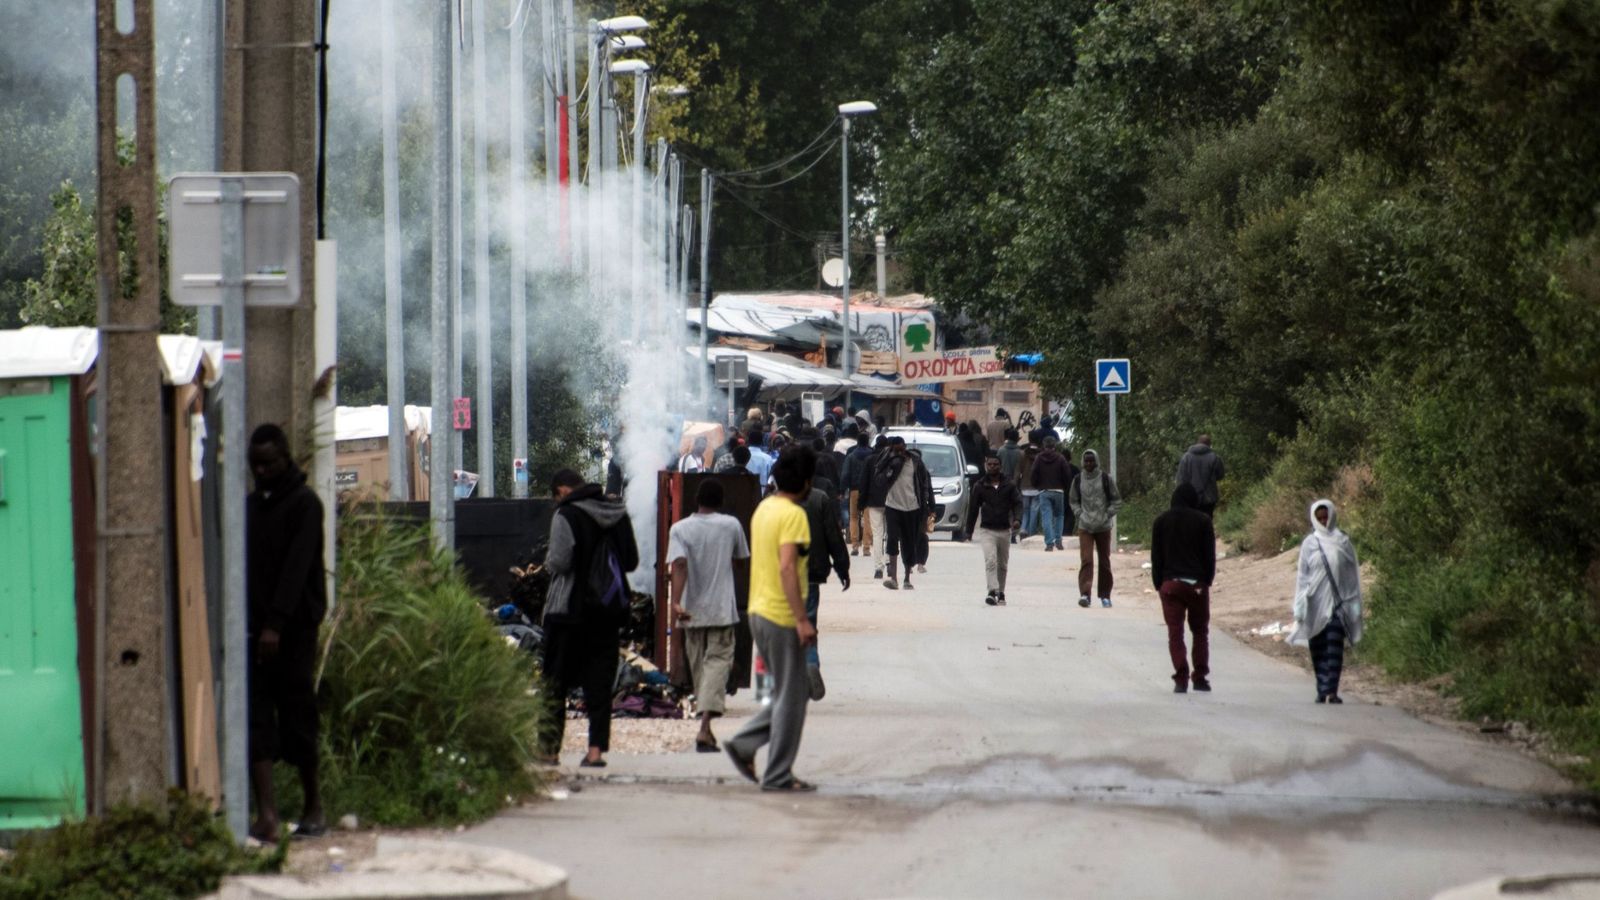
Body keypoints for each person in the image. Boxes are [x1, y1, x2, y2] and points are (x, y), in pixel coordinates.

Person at [245, 424, 328, 842]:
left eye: (270, 463)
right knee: (256, 720)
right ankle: (268, 815)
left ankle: (313, 807)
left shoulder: (304, 505)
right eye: (256, 464)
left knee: (298, 716)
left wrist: (276, 623)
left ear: (286, 458)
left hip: (293, 633)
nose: (262, 471)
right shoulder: (249, 508)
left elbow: (297, 569)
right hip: (253, 631)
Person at [725, 447, 819, 792]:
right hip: (781, 616)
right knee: (792, 698)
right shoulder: (794, 515)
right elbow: (786, 567)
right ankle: (778, 774)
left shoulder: (763, 509)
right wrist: (802, 620)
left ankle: (745, 744)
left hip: (758, 613)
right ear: (806, 482)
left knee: (787, 694)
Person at [539, 468, 640, 768]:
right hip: (607, 612)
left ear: (561, 491)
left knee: (554, 682)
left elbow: (559, 561)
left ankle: (548, 750)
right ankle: (595, 751)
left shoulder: (566, 515)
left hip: (568, 610)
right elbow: (631, 561)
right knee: (599, 683)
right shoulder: (616, 513)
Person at [668, 480, 751, 751]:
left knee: (700, 667)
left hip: (691, 612)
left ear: (697, 501)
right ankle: (705, 726)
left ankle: (705, 723)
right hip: (721, 610)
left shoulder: (679, 529)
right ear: (721, 501)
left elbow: (679, 565)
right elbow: (741, 561)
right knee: (717, 664)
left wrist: (676, 603)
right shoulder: (731, 526)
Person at [1289, 499, 1363, 704]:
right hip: (1315, 604)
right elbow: (1302, 577)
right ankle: (1322, 688)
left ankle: (1332, 690)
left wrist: (1354, 606)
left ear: (1332, 516)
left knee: (1334, 647)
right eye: (1319, 518)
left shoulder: (1343, 542)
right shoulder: (1309, 544)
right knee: (1319, 647)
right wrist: (1300, 606)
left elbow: (1352, 578)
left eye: (1326, 517)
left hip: (1339, 605)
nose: (1323, 521)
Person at [1151, 484, 1217, 693]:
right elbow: (1210, 556)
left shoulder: (1161, 521)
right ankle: (1200, 678)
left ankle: (1181, 678)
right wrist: (1207, 581)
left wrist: (1158, 583)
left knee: (1175, 633)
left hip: (1171, 585)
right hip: (1197, 584)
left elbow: (1156, 556)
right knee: (1200, 632)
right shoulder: (1203, 521)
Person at [798, 450, 851, 700]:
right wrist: (843, 568)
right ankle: (810, 663)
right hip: (811, 573)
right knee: (808, 622)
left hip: (777, 579)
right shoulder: (820, 499)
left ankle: (785, 678)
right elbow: (833, 536)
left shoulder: (773, 502)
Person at [875, 437, 932, 590]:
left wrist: (926, 506)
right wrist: (890, 467)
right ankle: (893, 578)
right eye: (895, 450)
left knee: (909, 542)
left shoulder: (915, 461)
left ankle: (907, 577)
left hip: (912, 507)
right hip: (892, 506)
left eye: (901, 449)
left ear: (905, 447)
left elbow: (924, 483)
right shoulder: (888, 459)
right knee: (892, 539)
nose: (899, 453)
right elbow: (879, 479)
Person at [965, 454, 1022, 606]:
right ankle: (991, 591)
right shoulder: (980, 486)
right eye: (990, 464)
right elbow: (973, 509)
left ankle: (1001, 592)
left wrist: (1017, 520)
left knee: (1002, 565)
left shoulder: (1009, 485)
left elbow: (1017, 503)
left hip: (1004, 530)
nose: (992, 467)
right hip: (987, 530)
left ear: (1000, 466)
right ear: (986, 466)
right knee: (990, 560)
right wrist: (968, 531)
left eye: (995, 464)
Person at [1069, 449, 1121, 608]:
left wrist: (1108, 514)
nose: (1089, 464)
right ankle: (1085, 594)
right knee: (1086, 560)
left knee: (1104, 562)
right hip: (1085, 526)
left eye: (1092, 461)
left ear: (1096, 461)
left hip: (1103, 526)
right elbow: (1073, 500)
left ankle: (1105, 595)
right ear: (1083, 463)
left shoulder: (1106, 479)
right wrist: (1079, 514)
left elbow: (1116, 500)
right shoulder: (1078, 480)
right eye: (1086, 461)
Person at [1030, 436, 1074, 552]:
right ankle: (1058, 541)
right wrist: (1065, 487)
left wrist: (1037, 485)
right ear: (1054, 446)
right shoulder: (1060, 458)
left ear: (1044, 446)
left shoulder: (1039, 458)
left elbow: (1034, 473)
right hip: (1059, 491)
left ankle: (1049, 543)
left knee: (1046, 516)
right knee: (1059, 516)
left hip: (1044, 491)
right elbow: (1067, 473)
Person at [840, 431, 876, 557]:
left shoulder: (851, 456)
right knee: (868, 519)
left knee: (854, 517)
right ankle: (866, 547)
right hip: (869, 491)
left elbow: (845, 475)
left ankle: (855, 545)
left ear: (858, 442)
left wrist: (842, 490)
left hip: (854, 489)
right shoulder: (873, 455)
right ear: (868, 442)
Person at [1175, 434, 1226, 517]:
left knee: (1192, 523)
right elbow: (1220, 475)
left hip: (1190, 498)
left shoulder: (1186, 458)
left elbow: (1181, 479)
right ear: (1209, 445)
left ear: (1197, 443)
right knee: (1207, 522)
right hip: (1209, 498)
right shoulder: (1215, 458)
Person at [862, 435, 891, 580]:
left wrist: (862, 503)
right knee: (890, 533)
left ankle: (878, 568)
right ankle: (889, 561)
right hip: (891, 501)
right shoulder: (891, 460)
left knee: (877, 534)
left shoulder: (869, 460)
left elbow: (864, 483)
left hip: (873, 502)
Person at [1016, 436, 1041, 540]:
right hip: (1037, 488)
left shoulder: (1022, 454)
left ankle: (1023, 529)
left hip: (1024, 487)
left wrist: (1017, 484)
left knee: (1025, 510)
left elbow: (1018, 471)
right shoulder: (1040, 456)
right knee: (1034, 512)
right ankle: (1031, 533)